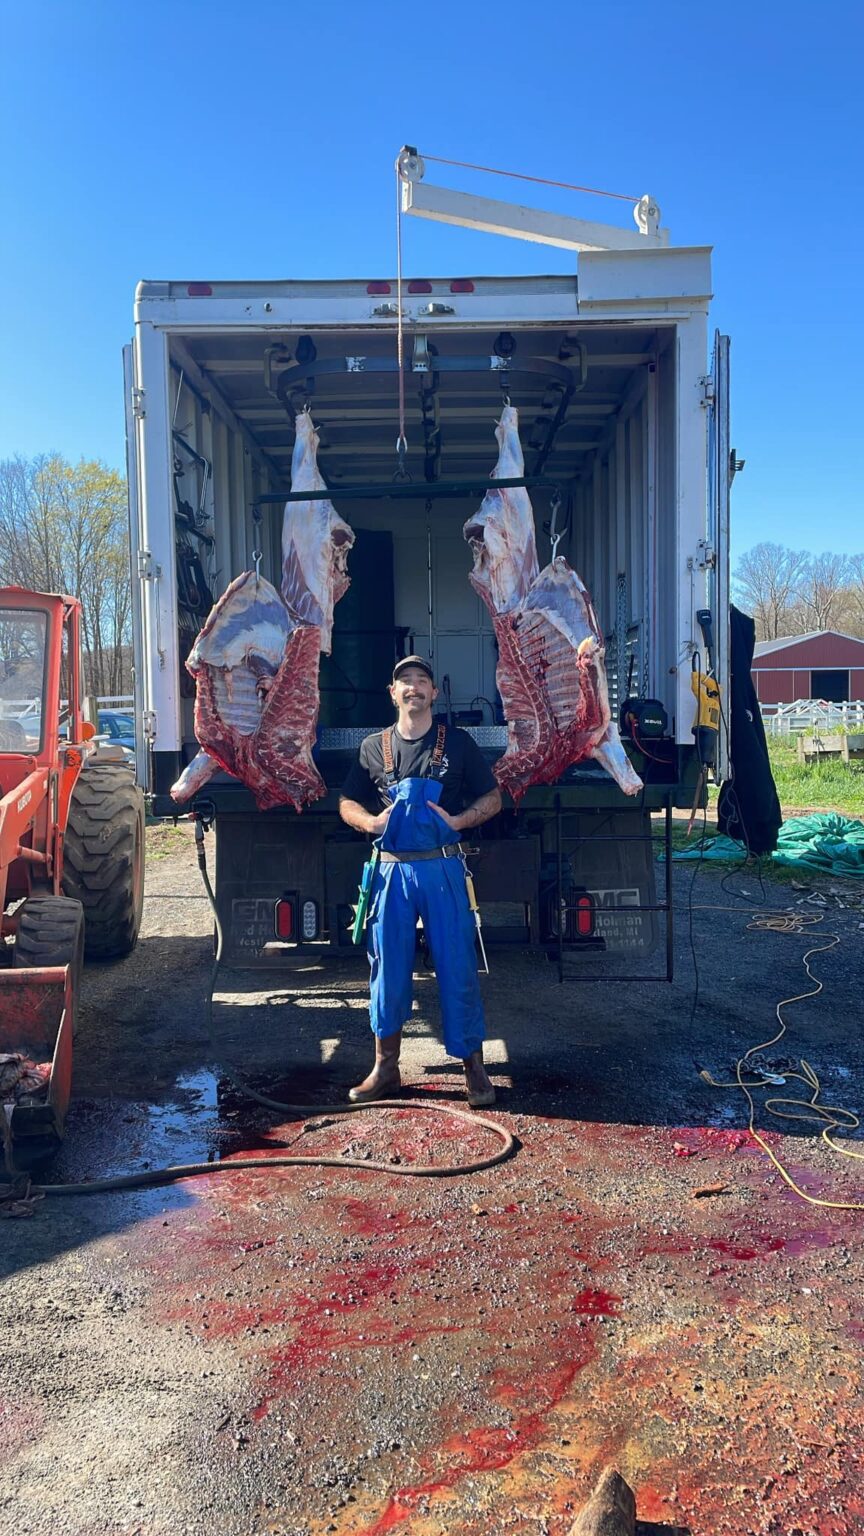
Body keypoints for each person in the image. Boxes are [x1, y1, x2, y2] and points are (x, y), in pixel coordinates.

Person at [339, 656, 502, 1108]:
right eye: (404, 682)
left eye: (421, 682)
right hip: (390, 870)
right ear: (393, 693)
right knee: (387, 969)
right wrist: (370, 823)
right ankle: (385, 1068)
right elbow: (347, 802)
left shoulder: (460, 744)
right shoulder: (373, 748)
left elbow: (494, 797)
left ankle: (473, 1069)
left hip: (443, 866)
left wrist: (459, 819)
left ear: (434, 694)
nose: (413, 688)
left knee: (457, 966)